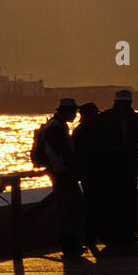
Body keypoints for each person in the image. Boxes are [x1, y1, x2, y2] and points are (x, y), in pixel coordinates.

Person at [101, 88, 138, 249]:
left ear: (115, 102)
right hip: (128, 168)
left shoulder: (104, 119)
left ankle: (113, 235)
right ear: (130, 103)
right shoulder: (136, 119)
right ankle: (126, 234)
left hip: (109, 170)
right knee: (127, 203)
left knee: (112, 203)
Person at [39, 98, 84, 260]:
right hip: (63, 174)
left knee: (69, 210)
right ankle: (70, 246)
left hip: (59, 173)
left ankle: (72, 246)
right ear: (67, 111)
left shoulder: (54, 125)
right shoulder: (57, 128)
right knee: (69, 210)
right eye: (74, 111)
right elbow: (63, 152)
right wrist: (73, 168)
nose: (75, 115)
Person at [71, 101, 108, 254]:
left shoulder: (79, 131)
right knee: (95, 205)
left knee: (94, 204)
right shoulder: (92, 130)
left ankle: (92, 237)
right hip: (93, 172)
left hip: (88, 172)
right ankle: (94, 236)